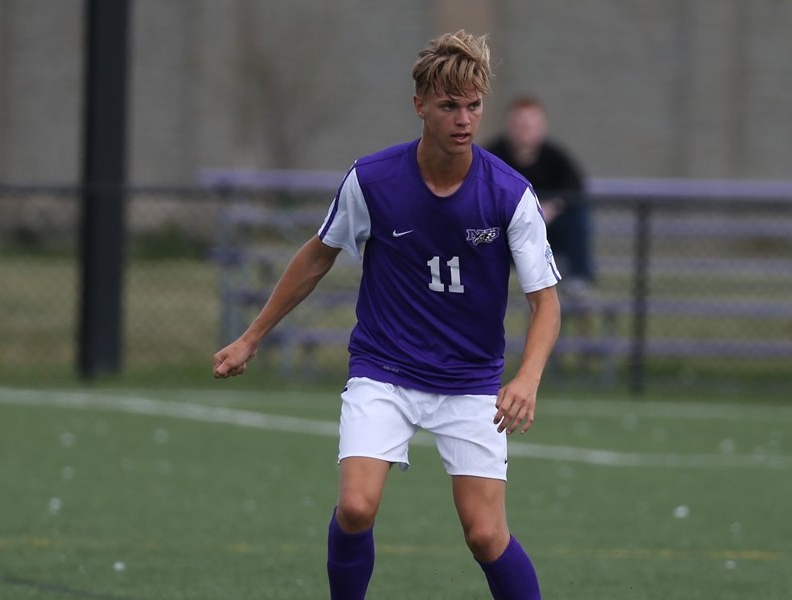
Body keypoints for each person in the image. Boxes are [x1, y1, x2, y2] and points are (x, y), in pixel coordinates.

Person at [212, 30, 560, 600]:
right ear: (420, 104)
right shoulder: (372, 181)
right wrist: (251, 337)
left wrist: (527, 377)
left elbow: (545, 301)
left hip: (469, 380)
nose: (464, 119)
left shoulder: (508, 194)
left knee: (485, 534)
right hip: (385, 369)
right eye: (449, 105)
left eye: (473, 105)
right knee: (355, 506)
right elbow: (316, 257)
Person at [487, 96, 594, 293]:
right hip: (506, 231)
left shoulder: (555, 156)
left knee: (577, 213)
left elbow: (575, 185)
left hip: (547, 231)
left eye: (532, 124)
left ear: (542, 127)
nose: (525, 129)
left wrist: (552, 207)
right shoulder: (493, 156)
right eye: (520, 124)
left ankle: (579, 279)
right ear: (509, 126)